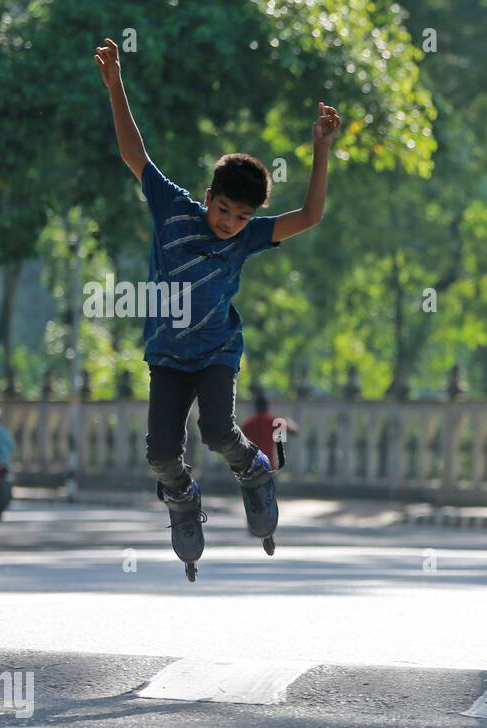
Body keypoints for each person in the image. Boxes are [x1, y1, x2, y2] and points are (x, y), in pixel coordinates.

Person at [94, 37, 339, 566]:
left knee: (217, 431)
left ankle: (253, 470)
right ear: (208, 198)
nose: (230, 224)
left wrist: (321, 148)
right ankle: (182, 498)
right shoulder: (172, 208)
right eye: (224, 210)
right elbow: (133, 153)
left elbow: (311, 216)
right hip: (166, 354)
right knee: (160, 454)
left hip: (217, 351)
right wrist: (117, 87)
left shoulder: (249, 237)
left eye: (241, 217)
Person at [241, 392, 299, 471]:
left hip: (253, 465)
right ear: (267, 406)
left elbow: (239, 439)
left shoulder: (249, 423)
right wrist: (287, 420)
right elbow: (294, 431)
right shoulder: (273, 421)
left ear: (256, 407)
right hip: (270, 465)